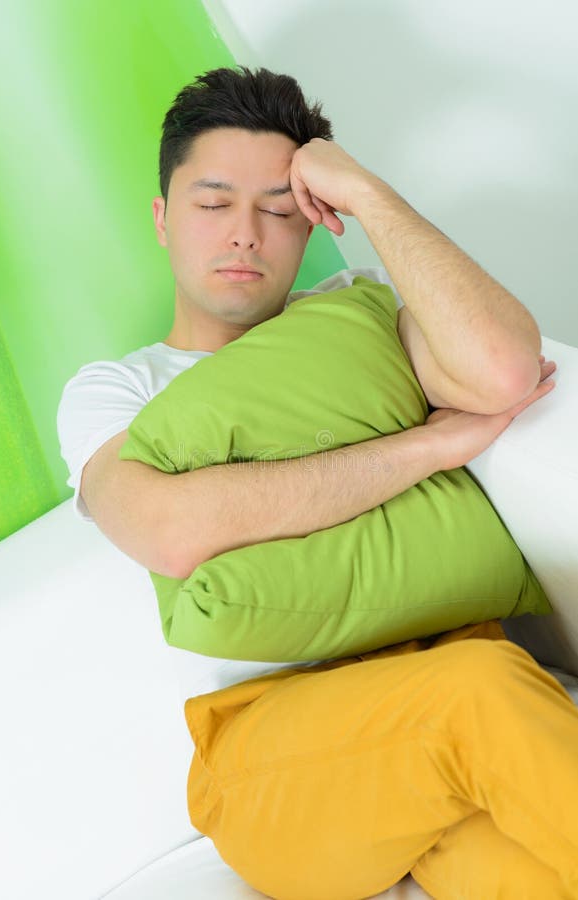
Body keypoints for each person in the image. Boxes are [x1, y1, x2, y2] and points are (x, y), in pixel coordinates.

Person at [57, 66, 578, 899]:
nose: (243, 235)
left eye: (277, 208)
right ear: (162, 219)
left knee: (520, 868)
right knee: (478, 694)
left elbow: (504, 367)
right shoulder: (121, 389)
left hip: (440, 710)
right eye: (213, 202)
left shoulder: (358, 312)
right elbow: (169, 530)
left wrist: (368, 194)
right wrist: (424, 449)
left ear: (312, 222)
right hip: (277, 759)